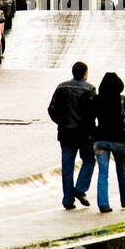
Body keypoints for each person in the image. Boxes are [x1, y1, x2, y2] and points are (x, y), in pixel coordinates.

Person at [48, 61, 96, 210]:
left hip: (65, 133)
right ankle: (80, 189)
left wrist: (61, 122)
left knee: (67, 166)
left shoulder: (62, 87)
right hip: (84, 133)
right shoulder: (90, 89)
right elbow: (93, 112)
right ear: (85, 73)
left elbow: (51, 108)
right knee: (89, 160)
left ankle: (68, 199)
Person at [90, 72, 125, 213]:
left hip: (100, 140)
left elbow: (89, 119)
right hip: (119, 140)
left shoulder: (96, 100)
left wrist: (93, 133)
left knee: (103, 172)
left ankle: (103, 204)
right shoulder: (123, 100)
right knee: (121, 169)